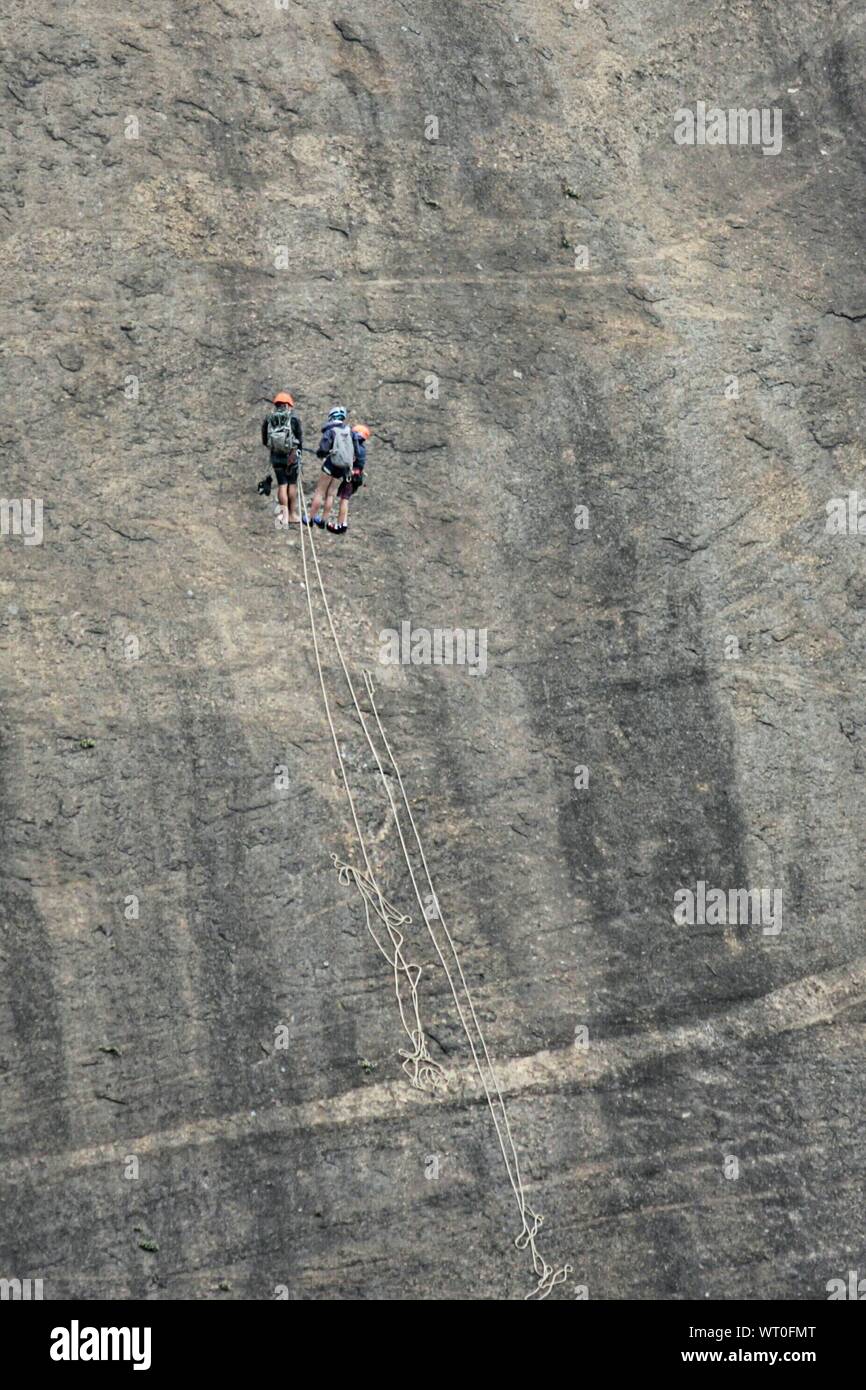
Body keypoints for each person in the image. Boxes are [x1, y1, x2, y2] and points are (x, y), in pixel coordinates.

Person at [303, 406, 357, 530]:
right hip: (343, 467)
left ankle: (310, 518)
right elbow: (355, 449)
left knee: (320, 492)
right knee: (331, 494)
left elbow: (323, 449)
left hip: (330, 465)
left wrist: (320, 454)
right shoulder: (349, 431)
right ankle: (323, 520)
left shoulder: (330, 431)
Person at [261, 391, 303, 526]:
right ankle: (292, 514)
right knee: (292, 485)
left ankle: (283, 517)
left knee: (282, 485)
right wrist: (298, 452)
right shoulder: (293, 418)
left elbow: (264, 439)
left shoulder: (269, 418)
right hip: (291, 456)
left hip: (276, 457)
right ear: (288, 405)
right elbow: (299, 438)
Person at [327, 424, 369, 535]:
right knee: (345, 499)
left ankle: (340, 525)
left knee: (343, 500)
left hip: (351, 478)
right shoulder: (362, 449)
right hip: (356, 478)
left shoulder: (354, 448)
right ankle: (343, 523)